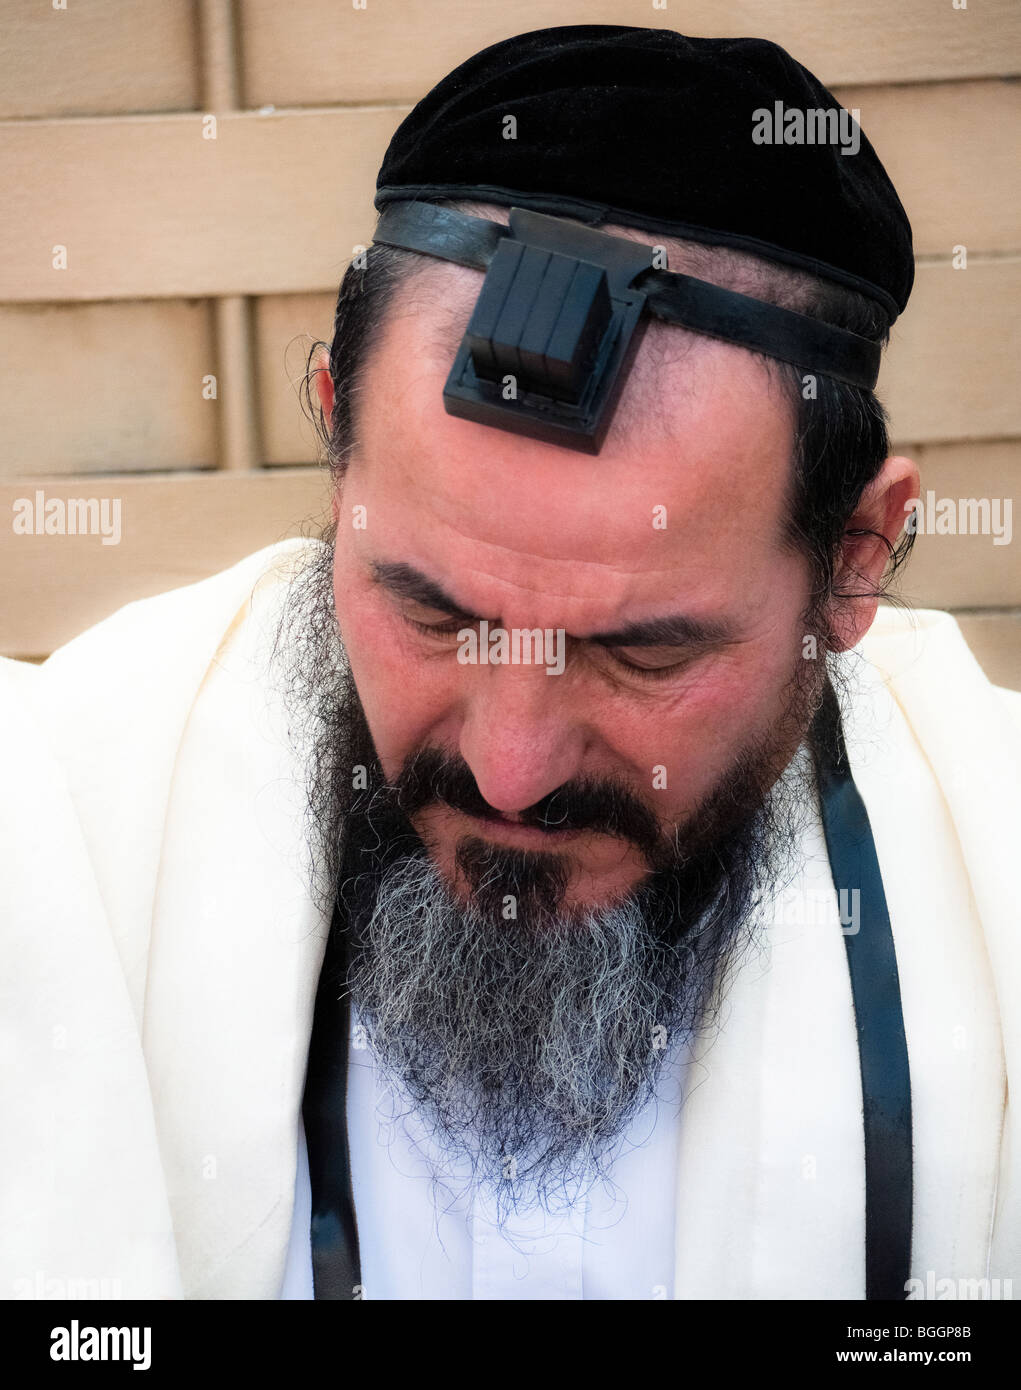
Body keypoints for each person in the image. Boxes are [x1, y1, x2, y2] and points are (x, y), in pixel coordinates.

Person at [2, 25, 1018, 1302]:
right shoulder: (58, 841)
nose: (512, 766)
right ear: (337, 442)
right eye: (432, 615)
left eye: (640, 651)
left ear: (856, 559)